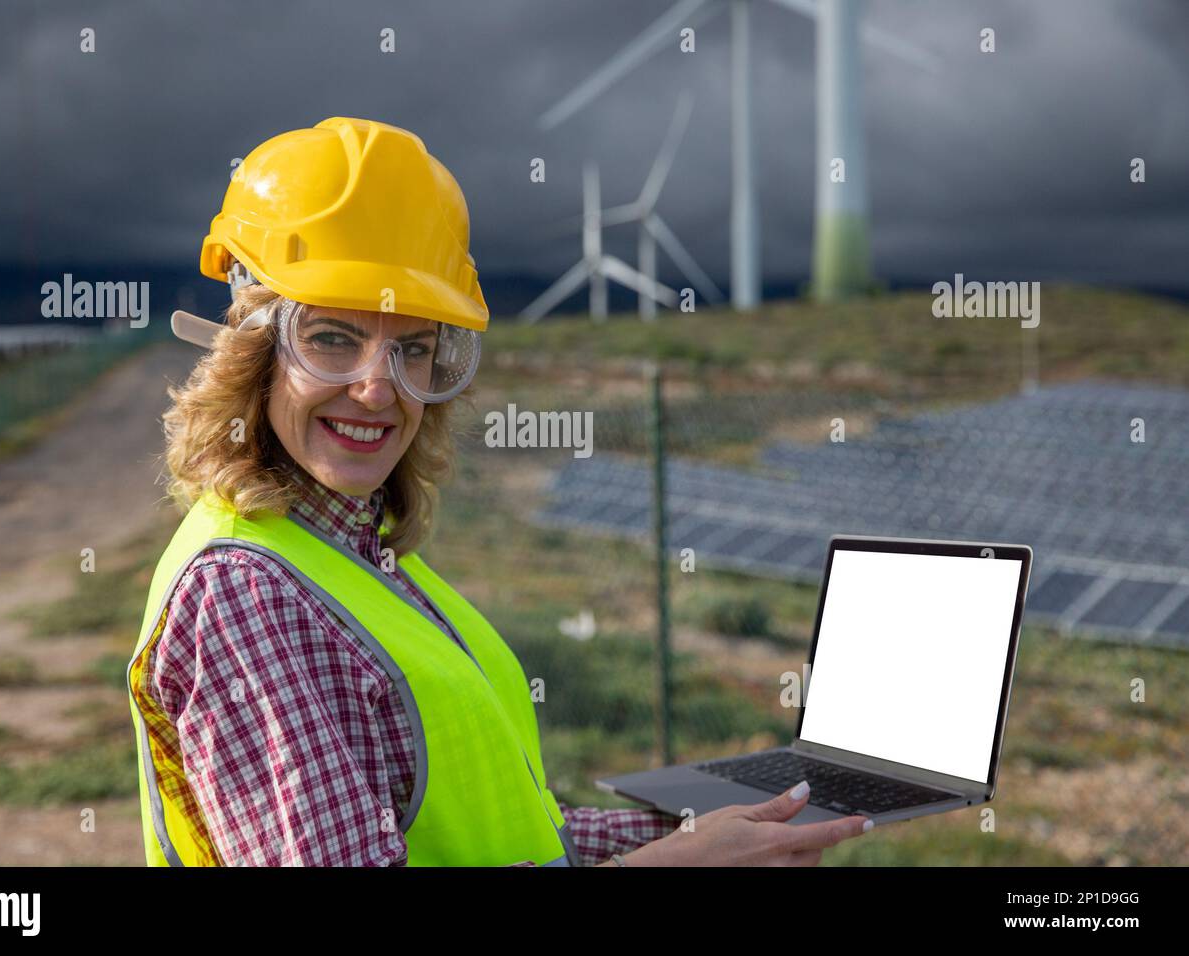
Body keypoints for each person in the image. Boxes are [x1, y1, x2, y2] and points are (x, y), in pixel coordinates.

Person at [127, 116, 873, 866]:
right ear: (252, 353)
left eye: (414, 350)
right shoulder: (243, 593)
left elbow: (509, 834)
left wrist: (709, 829)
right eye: (330, 339)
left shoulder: (355, 555)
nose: (376, 388)